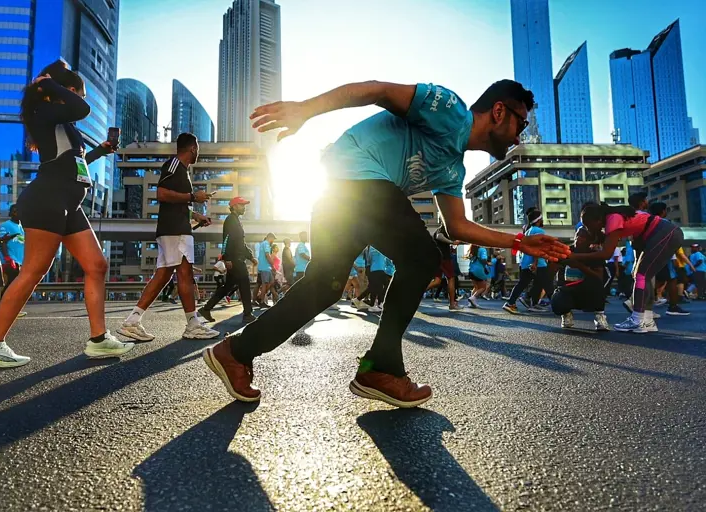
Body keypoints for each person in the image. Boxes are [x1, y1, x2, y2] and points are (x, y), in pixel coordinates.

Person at [202, 78, 568, 408]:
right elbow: (378, 90)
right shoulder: (450, 109)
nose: (519, 136)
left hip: (340, 194)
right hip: (355, 179)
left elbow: (456, 226)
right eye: (520, 124)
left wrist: (519, 242)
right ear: (499, 111)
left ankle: (235, 352)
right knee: (423, 257)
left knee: (324, 287)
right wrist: (306, 109)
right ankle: (380, 369)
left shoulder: (453, 168)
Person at [0, 61, 134, 367]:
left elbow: (73, 162)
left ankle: (99, 340)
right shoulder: (45, 112)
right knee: (33, 272)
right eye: (76, 92)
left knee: (96, 265)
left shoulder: (61, 121)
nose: (80, 98)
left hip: (67, 202)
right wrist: (46, 85)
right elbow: (81, 109)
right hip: (47, 198)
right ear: (62, 90)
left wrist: (99, 150)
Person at [117, 133, 218, 342]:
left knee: (163, 275)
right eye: (197, 148)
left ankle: (132, 321)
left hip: (175, 228)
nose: (197, 152)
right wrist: (192, 197)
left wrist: (196, 215)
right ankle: (193, 324)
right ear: (192, 148)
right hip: (174, 230)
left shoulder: (182, 171)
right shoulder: (173, 165)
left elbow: (177, 204)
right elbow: (161, 194)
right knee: (185, 274)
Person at [573, 202, 683, 333]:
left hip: (665, 233)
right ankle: (647, 320)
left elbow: (606, 253)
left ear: (597, 220)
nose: (587, 228)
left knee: (641, 275)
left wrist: (575, 256)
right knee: (641, 276)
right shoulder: (614, 217)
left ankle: (637, 320)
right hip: (666, 233)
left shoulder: (613, 219)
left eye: (587, 224)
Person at [199, 197, 256, 323]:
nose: (244, 207)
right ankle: (247, 314)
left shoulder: (237, 220)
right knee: (245, 285)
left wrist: (250, 256)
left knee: (227, 286)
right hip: (235, 259)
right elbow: (226, 240)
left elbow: (241, 243)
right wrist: (227, 258)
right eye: (242, 205)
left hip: (238, 258)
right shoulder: (230, 220)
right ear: (234, 206)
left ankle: (206, 309)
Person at [550, 227, 610, 331]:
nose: (578, 239)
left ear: (589, 241)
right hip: (568, 289)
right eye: (577, 235)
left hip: (587, 289)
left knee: (598, 285)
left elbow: (599, 277)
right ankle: (566, 313)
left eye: (583, 237)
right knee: (557, 300)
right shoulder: (566, 251)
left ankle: (599, 316)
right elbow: (552, 271)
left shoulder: (594, 254)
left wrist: (579, 266)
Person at [502, 209, 551, 314]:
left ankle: (532, 304)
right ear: (538, 220)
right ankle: (511, 303)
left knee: (535, 283)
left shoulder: (528, 230)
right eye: (541, 218)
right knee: (545, 283)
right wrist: (535, 263)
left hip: (525, 261)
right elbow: (537, 247)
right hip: (537, 263)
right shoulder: (538, 231)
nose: (542, 220)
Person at [0, 204, 28, 317]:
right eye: (16, 211)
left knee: (17, 286)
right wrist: (7, 258)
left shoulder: (22, 227)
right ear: (12, 213)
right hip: (11, 261)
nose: (19, 213)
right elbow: (2, 242)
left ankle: (12, 309)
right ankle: (2, 308)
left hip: (21, 261)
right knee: (11, 284)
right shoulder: (6, 225)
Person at [433, 223, 462, 311]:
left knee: (437, 281)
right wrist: (452, 242)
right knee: (451, 278)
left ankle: (416, 293)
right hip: (444, 258)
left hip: (437, 258)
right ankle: (452, 304)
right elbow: (439, 236)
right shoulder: (442, 229)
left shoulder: (442, 230)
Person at [255, 233, 276, 306]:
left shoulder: (262, 244)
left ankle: (260, 297)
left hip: (264, 267)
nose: (273, 241)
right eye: (273, 239)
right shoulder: (266, 244)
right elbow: (267, 255)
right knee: (265, 284)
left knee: (271, 282)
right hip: (265, 267)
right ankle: (261, 302)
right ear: (270, 237)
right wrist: (272, 265)